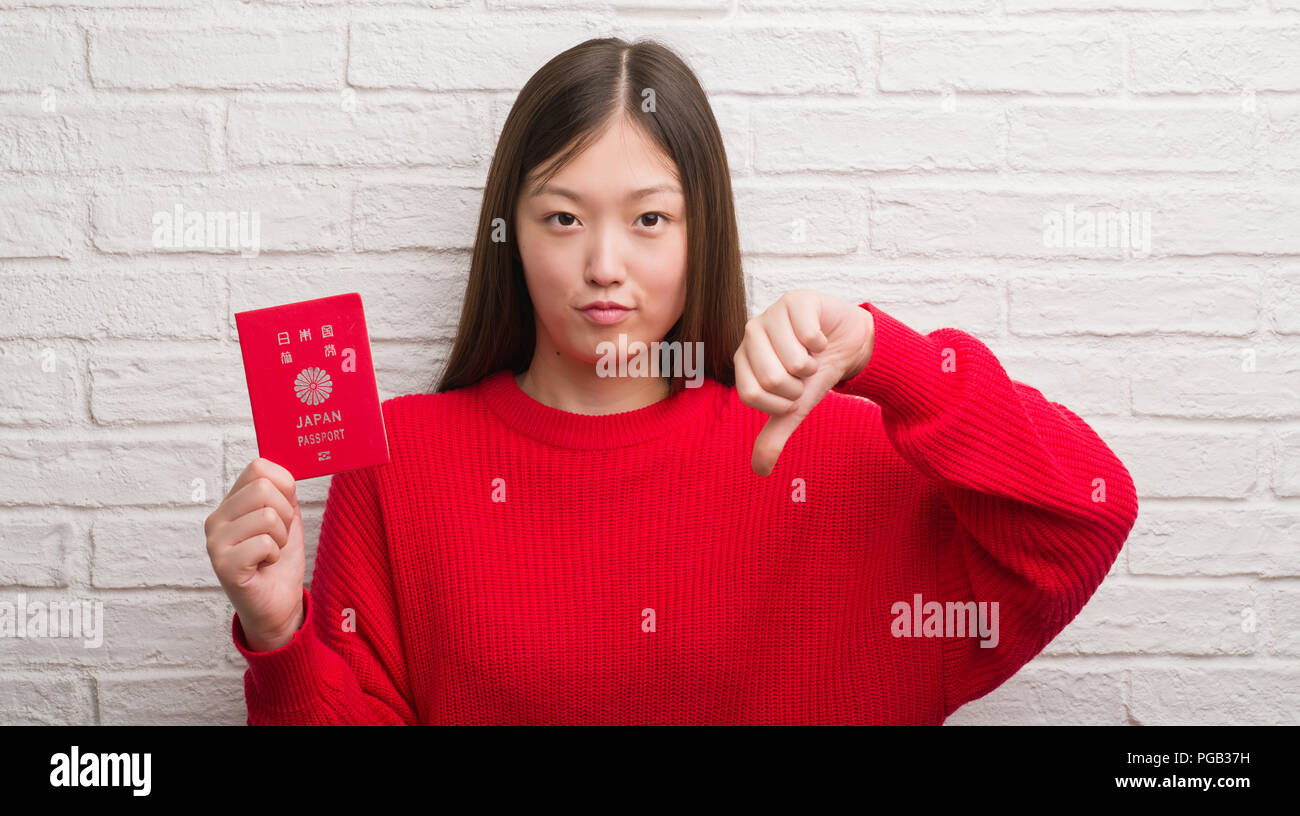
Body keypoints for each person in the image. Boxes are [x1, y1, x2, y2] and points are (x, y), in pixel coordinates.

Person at [204, 37, 1138, 725]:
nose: (604, 263)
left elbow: (1084, 515)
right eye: (562, 219)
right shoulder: (399, 462)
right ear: (510, 234)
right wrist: (282, 639)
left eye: (650, 220)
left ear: (703, 234)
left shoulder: (831, 453)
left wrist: (882, 356)